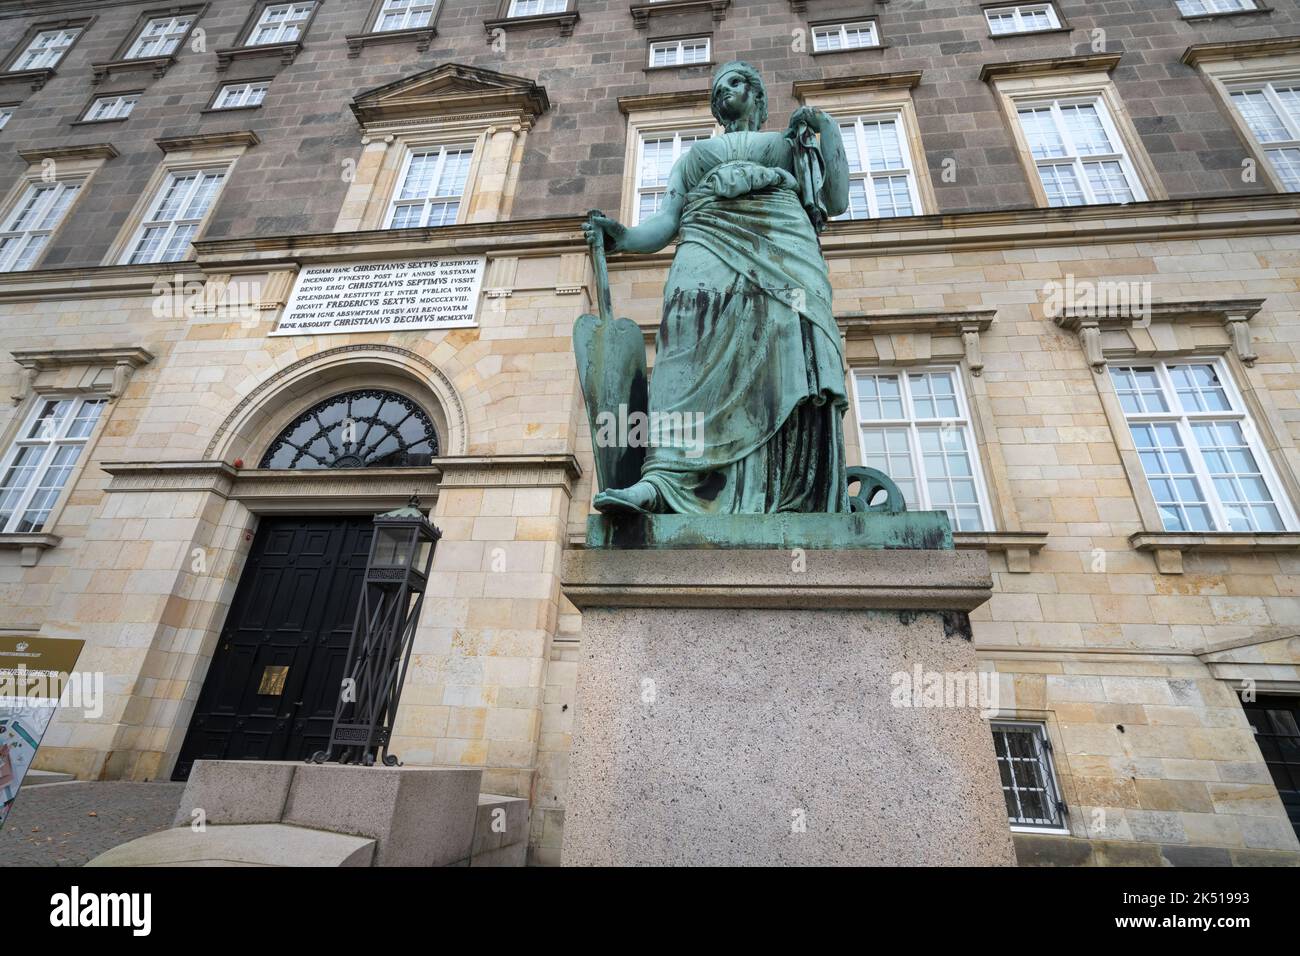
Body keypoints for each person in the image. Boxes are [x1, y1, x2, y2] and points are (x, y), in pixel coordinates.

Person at [584, 61, 852, 515]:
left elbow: (837, 200)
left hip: (784, 248)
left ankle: (785, 484)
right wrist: (625, 237)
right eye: (717, 88)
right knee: (679, 349)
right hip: (704, 238)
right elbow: (666, 221)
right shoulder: (693, 159)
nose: (723, 92)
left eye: (733, 83)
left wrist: (827, 129)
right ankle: (661, 480)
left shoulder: (786, 144)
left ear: (756, 93)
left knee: (786, 350)